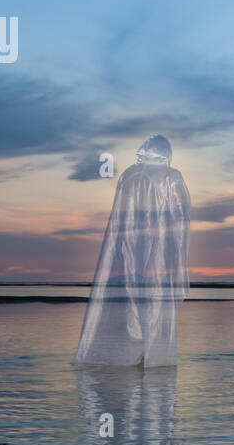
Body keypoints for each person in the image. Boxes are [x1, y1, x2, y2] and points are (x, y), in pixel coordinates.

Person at [74, 134, 191, 366]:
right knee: (156, 312)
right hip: (161, 262)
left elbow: (118, 220)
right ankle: (149, 362)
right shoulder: (173, 177)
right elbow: (182, 219)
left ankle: (134, 362)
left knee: (132, 309)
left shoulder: (128, 175)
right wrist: (178, 263)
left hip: (125, 258)